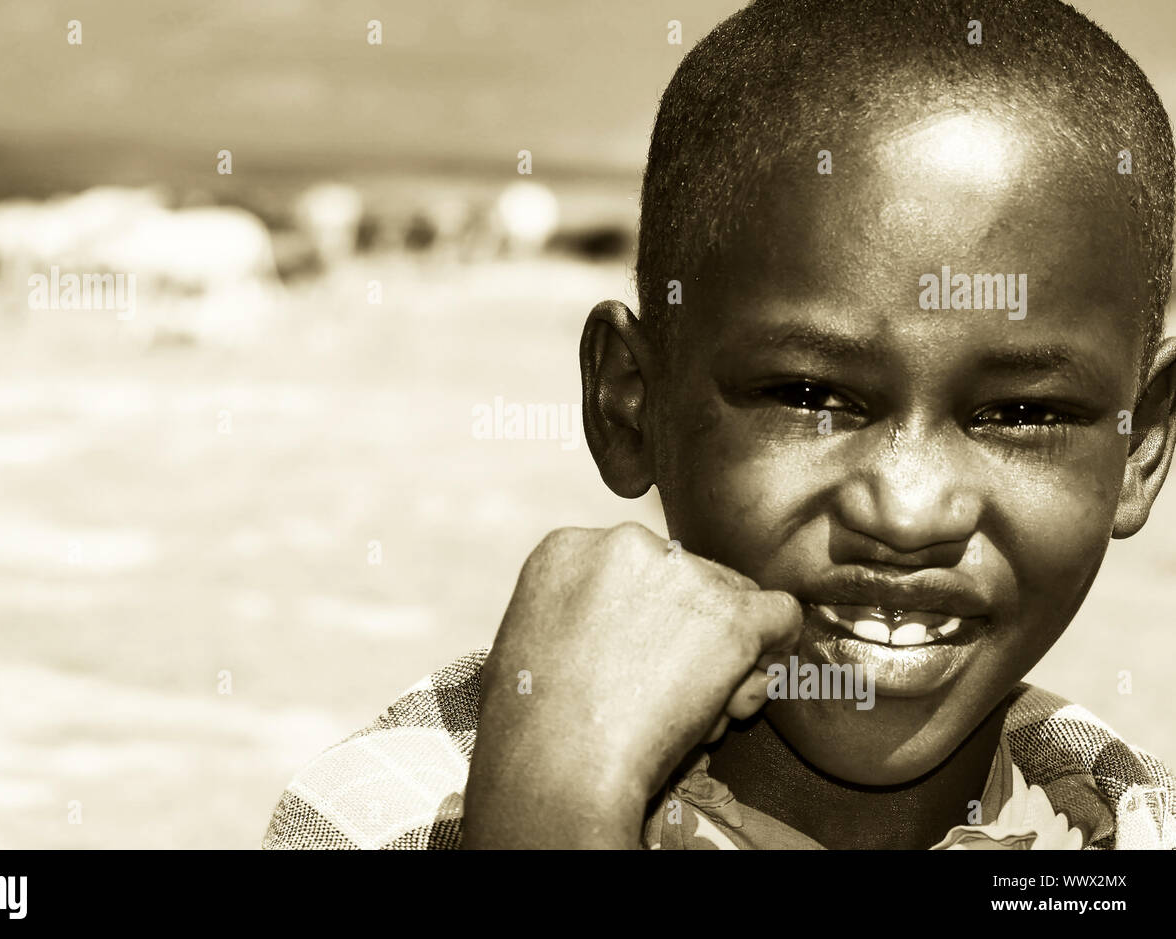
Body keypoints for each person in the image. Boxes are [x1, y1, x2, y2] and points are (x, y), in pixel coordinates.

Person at [265, 0, 1176, 849]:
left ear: (1141, 445)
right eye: (811, 395)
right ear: (630, 402)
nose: (907, 512)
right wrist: (553, 807)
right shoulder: (397, 807)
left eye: (1022, 413)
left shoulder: (1129, 819)